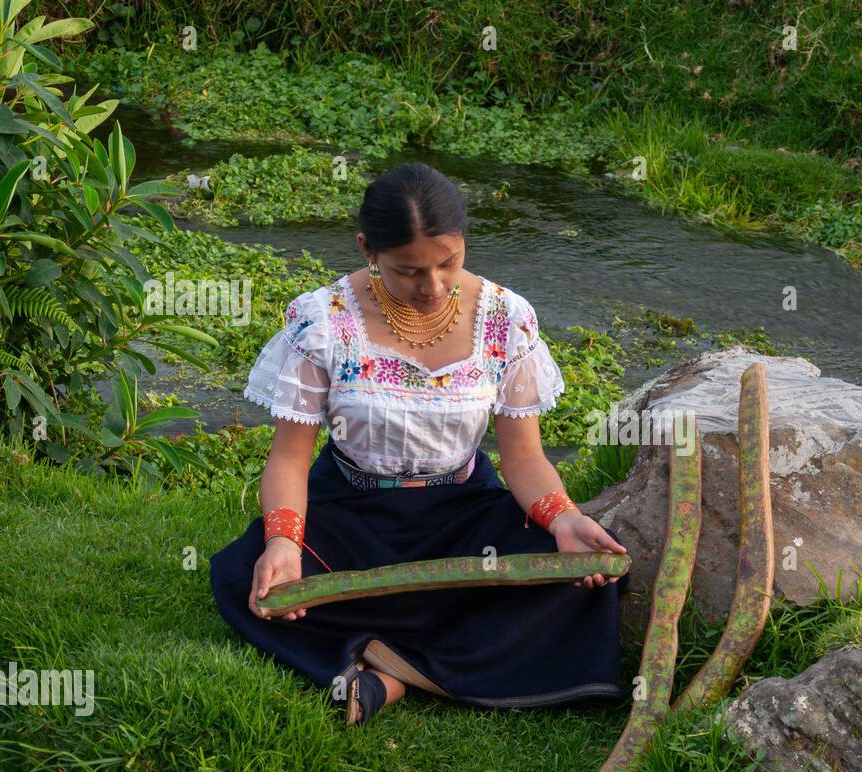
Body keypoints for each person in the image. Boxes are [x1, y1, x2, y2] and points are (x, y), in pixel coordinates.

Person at [209, 162, 631, 725]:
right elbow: (289, 457)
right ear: (367, 249)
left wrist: (563, 519)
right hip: (350, 506)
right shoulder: (322, 322)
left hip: (463, 511)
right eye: (407, 271)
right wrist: (284, 543)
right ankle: (441, 656)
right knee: (249, 574)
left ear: (463, 243)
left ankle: (386, 672)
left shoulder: (507, 319)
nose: (432, 287)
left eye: (447, 263)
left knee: (574, 576)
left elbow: (523, 457)